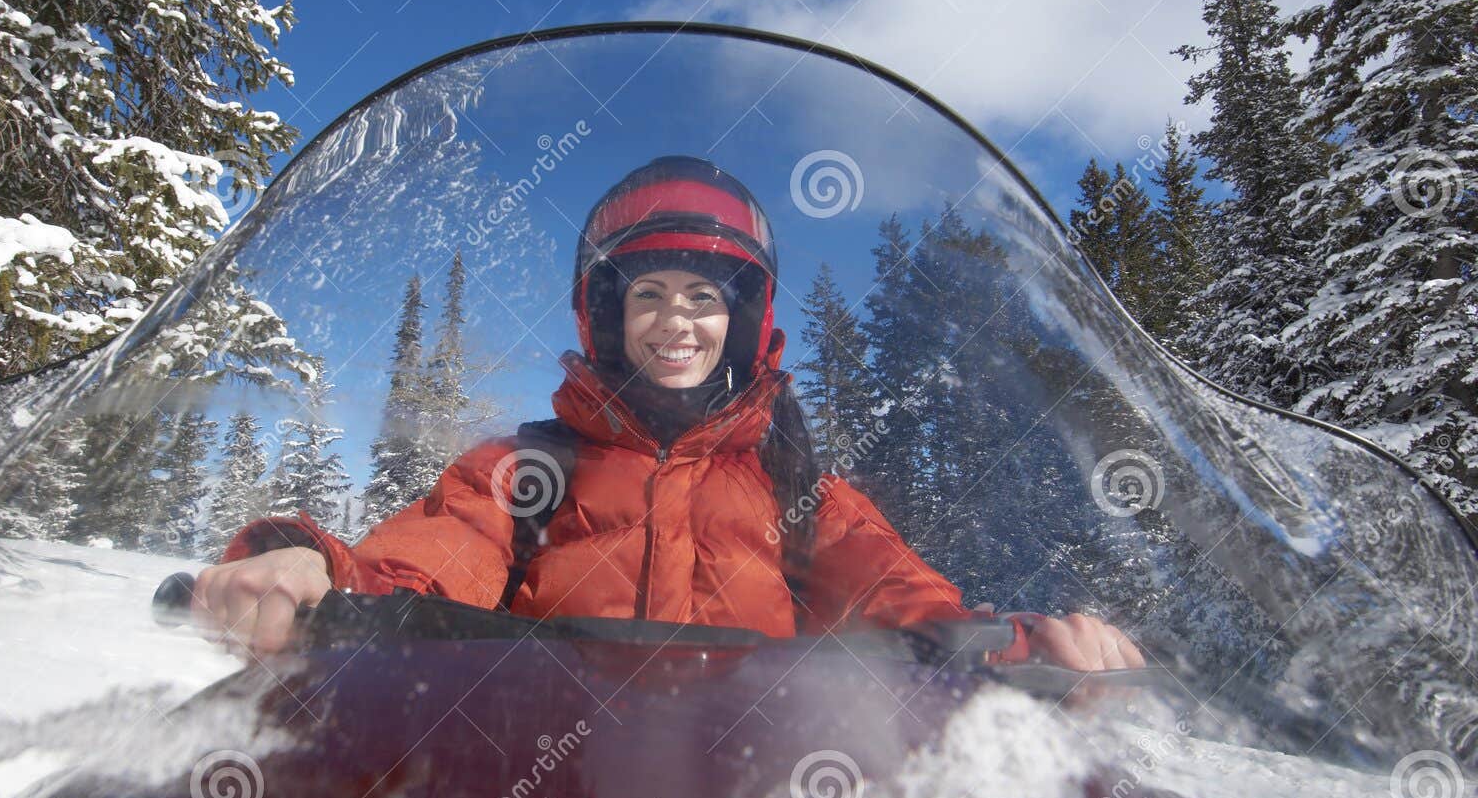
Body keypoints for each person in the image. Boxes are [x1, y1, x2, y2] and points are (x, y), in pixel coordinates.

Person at [193, 156, 1145, 672]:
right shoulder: (527, 469)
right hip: (529, 797)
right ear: (609, 316)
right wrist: (309, 566)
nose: (676, 322)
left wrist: (1026, 647)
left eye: (704, 297)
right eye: (649, 294)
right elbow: (423, 567)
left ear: (741, 320)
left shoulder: (797, 487)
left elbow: (906, 601)